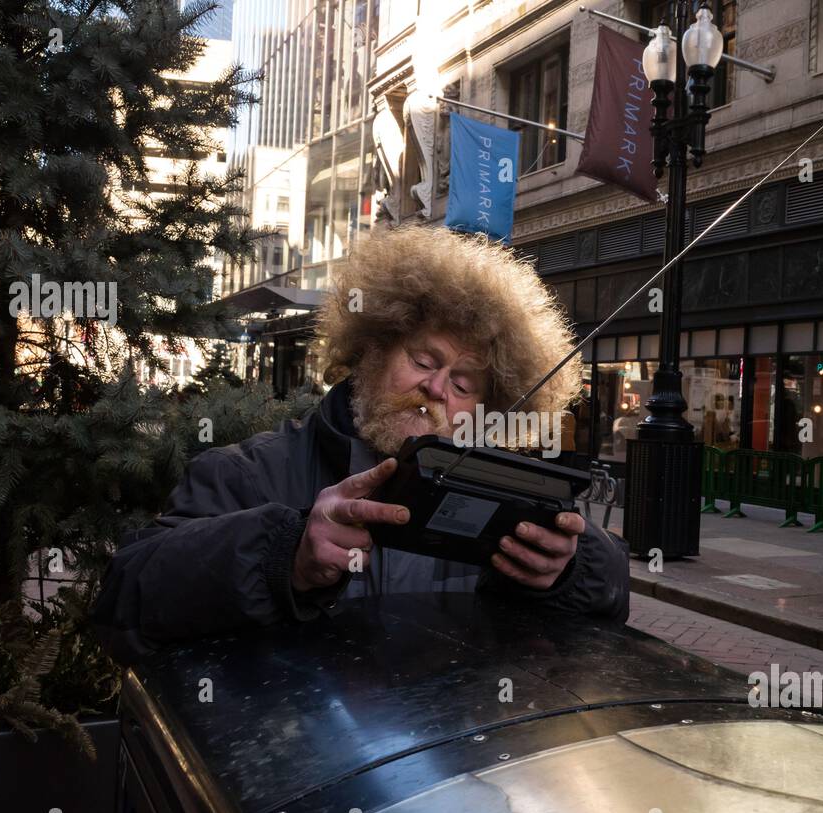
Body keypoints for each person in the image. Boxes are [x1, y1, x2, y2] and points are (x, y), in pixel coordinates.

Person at [93, 225, 630, 662]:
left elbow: (607, 612)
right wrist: (287, 555)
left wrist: (570, 571)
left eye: (464, 384)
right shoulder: (245, 474)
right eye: (423, 360)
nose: (436, 389)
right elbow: (126, 603)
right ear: (372, 348)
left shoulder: (502, 503)